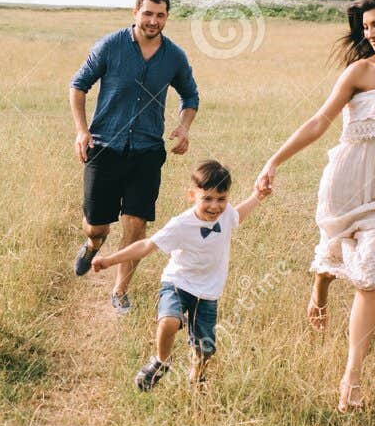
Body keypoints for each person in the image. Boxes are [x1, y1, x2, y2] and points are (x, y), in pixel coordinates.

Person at [256, 0, 375, 412]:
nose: (369, 33)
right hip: (349, 180)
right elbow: (320, 120)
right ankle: (320, 286)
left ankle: (351, 377)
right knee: (335, 248)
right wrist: (274, 161)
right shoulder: (359, 72)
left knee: (368, 277)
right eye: (365, 27)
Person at [69, 0, 200, 313]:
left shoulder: (174, 56)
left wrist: (184, 127)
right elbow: (78, 85)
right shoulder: (110, 46)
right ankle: (92, 245)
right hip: (104, 148)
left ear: (167, 17)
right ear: (135, 12)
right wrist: (82, 131)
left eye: (160, 15)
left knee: (136, 225)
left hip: (147, 151)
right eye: (148, 13)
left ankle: (120, 290)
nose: (154, 21)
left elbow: (190, 96)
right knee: (97, 226)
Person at [93, 159, 267, 387]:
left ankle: (197, 379)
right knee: (169, 321)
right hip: (178, 282)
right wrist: (109, 260)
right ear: (192, 195)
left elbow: (238, 215)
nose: (215, 206)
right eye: (207, 199)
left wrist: (257, 196)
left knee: (205, 348)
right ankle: (161, 361)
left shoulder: (225, 215)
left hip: (208, 291)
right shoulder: (180, 224)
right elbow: (146, 246)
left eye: (221, 199)